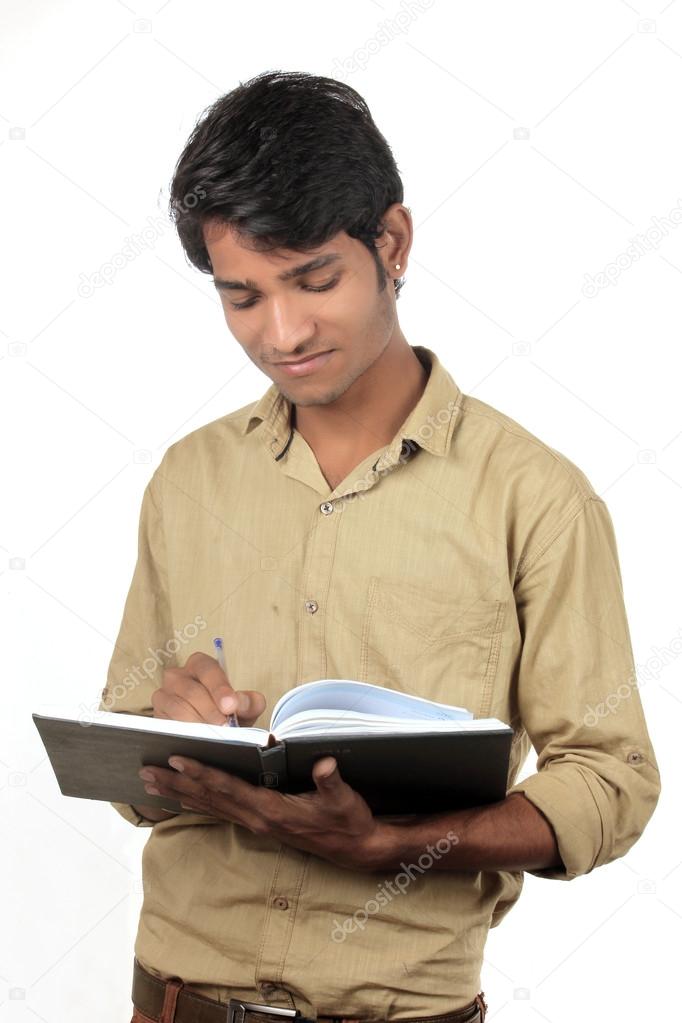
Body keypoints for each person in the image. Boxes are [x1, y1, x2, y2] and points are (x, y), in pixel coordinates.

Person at [99, 70, 660, 1023]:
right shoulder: (187, 479)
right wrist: (170, 728)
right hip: (174, 999)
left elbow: (611, 780)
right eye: (242, 297)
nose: (283, 332)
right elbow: (125, 763)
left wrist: (402, 845)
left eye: (315, 280)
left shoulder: (537, 498)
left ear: (391, 244)